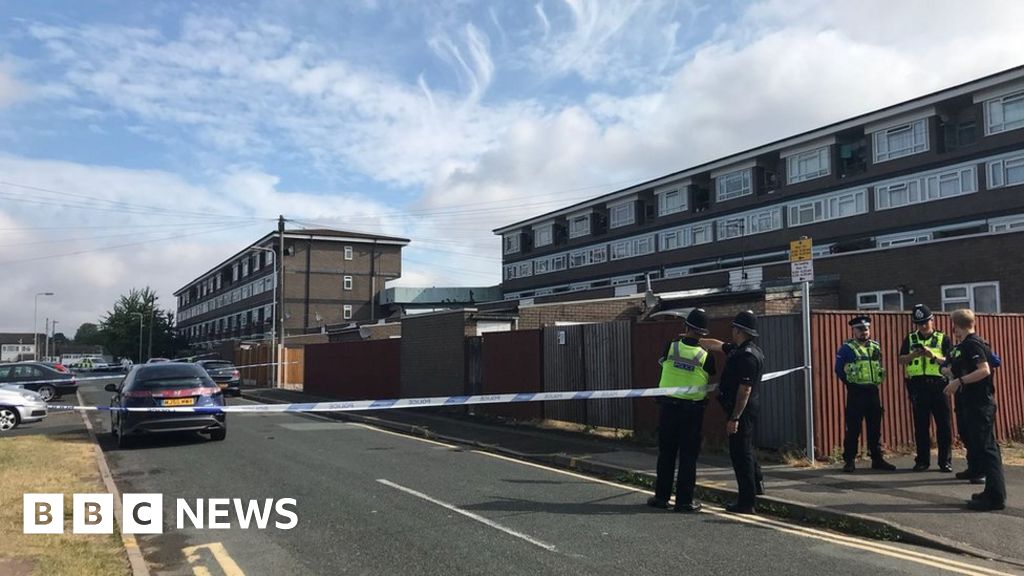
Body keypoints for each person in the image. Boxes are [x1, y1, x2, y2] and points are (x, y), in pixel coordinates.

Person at [647, 308, 716, 513]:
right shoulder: (706, 355)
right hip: (692, 412)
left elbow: (664, 364)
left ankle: (661, 498)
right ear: (703, 333)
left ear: (685, 327)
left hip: (668, 408)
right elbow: (710, 374)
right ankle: (684, 501)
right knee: (688, 456)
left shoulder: (670, 347)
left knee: (666, 454)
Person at [943, 309, 1006, 511]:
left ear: (956, 325)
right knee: (983, 447)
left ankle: (995, 497)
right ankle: (991, 491)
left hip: (980, 403)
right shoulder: (973, 344)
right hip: (973, 402)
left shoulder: (972, 344)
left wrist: (958, 381)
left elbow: (984, 370)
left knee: (987, 450)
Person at [701, 310, 764, 514]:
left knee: (740, 454)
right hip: (744, 409)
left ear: (739, 331)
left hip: (741, 411)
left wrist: (734, 418)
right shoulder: (742, 350)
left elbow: (744, 390)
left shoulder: (747, 357)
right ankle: (757, 484)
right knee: (747, 448)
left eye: (734, 328)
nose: (732, 331)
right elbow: (717, 345)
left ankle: (746, 502)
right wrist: (696, 340)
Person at [835, 315, 896, 473]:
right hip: (856, 392)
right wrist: (850, 384)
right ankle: (849, 460)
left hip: (872, 391)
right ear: (854, 331)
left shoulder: (875, 346)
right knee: (853, 428)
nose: (864, 332)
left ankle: (877, 458)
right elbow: (839, 369)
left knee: (875, 427)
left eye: (866, 329)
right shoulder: (847, 348)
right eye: (860, 329)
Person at [898, 304, 953, 472]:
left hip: (938, 384)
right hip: (918, 385)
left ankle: (945, 461)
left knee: (944, 425)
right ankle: (922, 461)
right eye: (919, 323)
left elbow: (949, 362)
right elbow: (901, 360)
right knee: (921, 426)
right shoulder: (910, 338)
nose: (922, 326)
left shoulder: (943, 338)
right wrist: (913, 354)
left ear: (932, 320)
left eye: (925, 322)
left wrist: (932, 355)